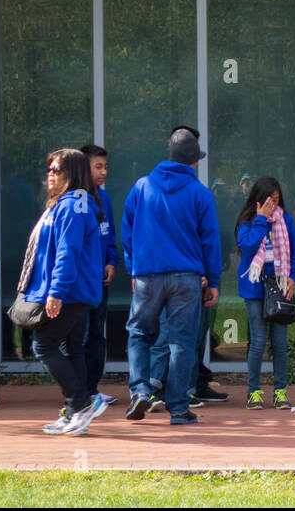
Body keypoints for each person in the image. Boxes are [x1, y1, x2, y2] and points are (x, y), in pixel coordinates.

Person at [122, 126, 222, 425]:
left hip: (148, 276)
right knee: (182, 342)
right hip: (186, 278)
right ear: (194, 161)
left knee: (140, 334)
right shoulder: (200, 193)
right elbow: (210, 239)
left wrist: (133, 268)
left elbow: (128, 232)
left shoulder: (141, 187)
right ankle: (178, 408)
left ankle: (140, 389)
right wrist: (213, 280)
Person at [24, 149, 106, 435]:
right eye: (48, 169)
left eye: (56, 170)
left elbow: (67, 252)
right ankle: (76, 413)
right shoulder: (69, 204)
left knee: (43, 346)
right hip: (76, 291)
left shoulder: (72, 206)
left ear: (71, 174)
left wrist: (56, 291)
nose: (50, 174)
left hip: (71, 292)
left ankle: (82, 403)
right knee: (71, 349)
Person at [235, 176, 295, 410]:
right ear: (257, 201)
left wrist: (294, 277)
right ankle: (253, 392)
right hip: (255, 289)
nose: (273, 206)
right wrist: (261, 219)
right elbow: (247, 247)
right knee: (257, 341)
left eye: (276, 201)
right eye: (268, 201)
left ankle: (280, 392)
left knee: (279, 342)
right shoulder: (247, 223)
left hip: (280, 288)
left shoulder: (287, 221)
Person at [80, 145, 118, 411]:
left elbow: (110, 237)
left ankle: (91, 390)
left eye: (105, 167)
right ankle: (77, 392)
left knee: (96, 335)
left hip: (99, 282)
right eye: (98, 167)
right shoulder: (75, 201)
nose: (104, 172)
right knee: (78, 337)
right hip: (80, 283)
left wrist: (111, 262)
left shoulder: (104, 199)